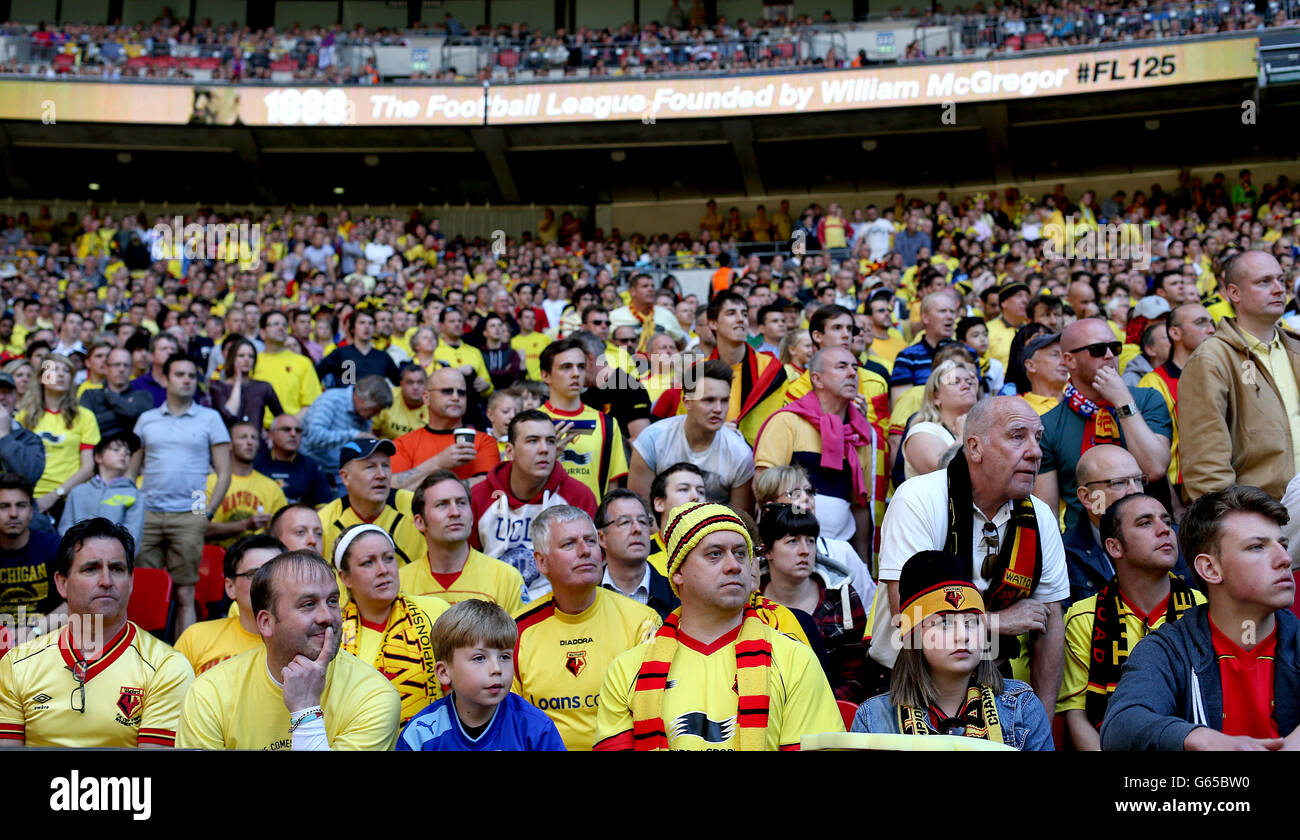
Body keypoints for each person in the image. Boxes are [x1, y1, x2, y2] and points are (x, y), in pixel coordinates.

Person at [871, 396, 1069, 717]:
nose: (1035, 452)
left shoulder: (1041, 517)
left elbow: (1049, 622)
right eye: (1018, 436)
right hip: (907, 683)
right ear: (974, 448)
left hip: (991, 682)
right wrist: (996, 624)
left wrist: (1041, 720)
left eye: (1038, 438)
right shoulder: (918, 499)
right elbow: (905, 618)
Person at [593, 502, 843, 751]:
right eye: (715, 554)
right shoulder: (626, 671)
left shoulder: (796, 660)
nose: (734, 565)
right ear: (678, 571)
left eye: (741, 553)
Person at [1101, 486, 1300, 751]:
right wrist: (1199, 738)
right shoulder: (1168, 648)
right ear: (1210, 568)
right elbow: (1120, 726)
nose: (1285, 559)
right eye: (1256, 547)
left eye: (1283, 545)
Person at [176, 550, 402, 750]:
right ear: (266, 622)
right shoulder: (210, 693)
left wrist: (305, 709)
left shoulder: (375, 696)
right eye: (308, 604)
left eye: (332, 601)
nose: (327, 617)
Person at [0, 518, 194, 748]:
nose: (106, 581)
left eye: (117, 569)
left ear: (131, 582)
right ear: (62, 583)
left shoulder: (167, 667)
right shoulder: (17, 663)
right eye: (91, 569)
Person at [851, 550, 1054, 750]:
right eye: (945, 623)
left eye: (972, 622)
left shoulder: (1022, 707)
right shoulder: (872, 719)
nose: (963, 635)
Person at [1057, 494, 1205, 750]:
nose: (1164, 531)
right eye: (1145, 523)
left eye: (1167, 521)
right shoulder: (1083, 617)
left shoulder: (1202, 607)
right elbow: (1077, 714)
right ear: (1114, 547)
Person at [513, 505, 660, 750]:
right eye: (569, 544)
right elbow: (511, 724)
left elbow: (651, 716)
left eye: (590, 541)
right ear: (541, 562)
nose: (585, 551)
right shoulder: (517, 630)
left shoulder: (643, 621)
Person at [1180, 251, 1300, 502]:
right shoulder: (1211, 359)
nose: (1279, 289)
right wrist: (1233, 526)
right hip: (1264, 516)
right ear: (1233, 293)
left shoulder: (1297, 348)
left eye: (1281, 279)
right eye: (1264, 282)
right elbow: (1206, 464)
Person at [1033, 318, 1172, 533]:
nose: (1109, 355)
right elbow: (1047, 512)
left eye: (1115, 348)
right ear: (1070, 360)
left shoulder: (1147, 400)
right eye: (1097, 349)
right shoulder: (1049, 425)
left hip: (1152, 532)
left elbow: (1154, 468)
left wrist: (1123, 403)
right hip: (1086, 547)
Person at [755, 346, 886, 565]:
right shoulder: (787, 421)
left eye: (855, 367)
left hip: (839, 551)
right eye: (842, 366)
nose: (853, 373)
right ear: (817, 379)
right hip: (789, 550)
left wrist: (863, 562)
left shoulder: (859, 433)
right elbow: (763, 490)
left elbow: (860, 504)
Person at [131, 353, 232, 636]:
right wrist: (133, 508)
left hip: (192, 511)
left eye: (191, 375)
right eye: (179, 374)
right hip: (148, 511)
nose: (186, 380)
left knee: (186, 590)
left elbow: (224, 473)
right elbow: (131, 471)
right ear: (165, 379)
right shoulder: (146, 419)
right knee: (145, 589)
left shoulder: (210, 418)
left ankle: (185, 660)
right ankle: (142, 661)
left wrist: (206, 513)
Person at [396, 599, 567, 751]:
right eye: (479, 658)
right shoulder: (421, 734)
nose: (496, 668)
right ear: (444, 672)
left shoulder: (534, 727)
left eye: (504, 657)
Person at [469, 409, 596, 601]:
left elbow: (590, 561)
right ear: (509, 451)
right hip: (490, 608)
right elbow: (467, 562)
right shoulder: (479, 496)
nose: (544, 449)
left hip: (557, 608)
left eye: (550, 441)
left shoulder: (578, 496)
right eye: (532, 441)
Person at [334, 523, 450, 726]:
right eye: (367, 563)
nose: (383, 570)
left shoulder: (436, 611)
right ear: (345, 577)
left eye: (388, 558)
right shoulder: (333, 633)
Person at [758, 504, 868, 703]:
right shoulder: (747, 599)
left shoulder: (841, 597)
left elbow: (858, 676)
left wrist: (820, 705)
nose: (805, 551)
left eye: (811, 541)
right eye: (792, 541)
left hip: (828, 713)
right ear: (767, 551)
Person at [629, 359, 755, 508]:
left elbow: (741, 521)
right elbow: (641, 511)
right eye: (709, 400)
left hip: (717, 529)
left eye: (724, 401)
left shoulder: (739, 453)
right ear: (687, 402)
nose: (718, 409)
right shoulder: (652, 440)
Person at [403, 470, 528, 611]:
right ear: (420, 522)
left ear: (472, 515)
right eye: (442, 505)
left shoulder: (505, 578)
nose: (455, 512)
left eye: (461, 503)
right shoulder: (401, 584)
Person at [173, 534, 285, 674]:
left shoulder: (303, 642)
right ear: (231, 587)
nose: (267, 582)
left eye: (276, 573)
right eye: (254, 574)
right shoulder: (196, 638)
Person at [1138, 303, 1215, 495]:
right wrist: (1173, 503)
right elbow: (1150, 452)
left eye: (1213, 323)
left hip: (1223, 484)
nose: (1212, 330)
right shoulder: (1153, 383)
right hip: (1180, 492)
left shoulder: (1221, 377)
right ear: (1175, 333)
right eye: (1201, 323)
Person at [539, 338, 627, 502]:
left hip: (591, 522)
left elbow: (612, 487)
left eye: (581, 367)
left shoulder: (606, 423)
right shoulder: (529, 423)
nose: (576, 373)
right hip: (543, 521)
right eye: (566, 367)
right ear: (546, 375)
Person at [318, 437, 426, 568]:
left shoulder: (417, 506)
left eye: (385, 465)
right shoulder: (323, 522)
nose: (381, 475)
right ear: (345, 477)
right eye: (370, 467)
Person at [390, 367, 500, 491]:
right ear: (426, 398)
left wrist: (419, 487)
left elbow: (487, 486)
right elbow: (391, 487)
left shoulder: (484, 441)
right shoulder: (403, 444)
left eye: (461, 393)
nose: (455, 397)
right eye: (447, 391)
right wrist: (438, 462)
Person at [20, 354, 100, 517]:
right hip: (28, 496)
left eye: (67, 371)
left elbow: (88, 467)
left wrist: (56, 494)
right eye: (55, 369)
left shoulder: (85, 416)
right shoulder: (23, 417)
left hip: (69, 498)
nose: (62, 374)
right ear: (41, 378)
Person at [0, 473, 63, 653]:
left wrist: (34, 631)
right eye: (4, 506)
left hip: (46, 641)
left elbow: (75, 603)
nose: (13, 513)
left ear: (31, 511)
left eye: (21, 506)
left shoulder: (54, 547)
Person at [597, 489, 679, 620]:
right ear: (601, 538)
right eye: (625, 522)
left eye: (643, 521)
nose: (637, 529)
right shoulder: (584, 596)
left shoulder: (676, 596)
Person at [204, 421, 288, 547]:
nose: (250, 442)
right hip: (216, 559)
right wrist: (245, 525)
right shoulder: (207, 483)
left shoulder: (272, 488)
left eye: (254, 438)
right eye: (243, 437)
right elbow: (199, 529)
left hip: (260, 561)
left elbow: (283, 530)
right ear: (229, 445)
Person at [58, 431, 143, 548]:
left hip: (115, 561)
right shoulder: (78, 491)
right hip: (79, 558)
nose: (123, 453)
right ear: (98, 457)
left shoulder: (135, 495)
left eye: (128, 453)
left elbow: (133, 536)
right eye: (116, 449)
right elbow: (65, 529)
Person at [300, 375, 394, 476]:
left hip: (339, 471)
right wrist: (355, 436)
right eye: (376, 409)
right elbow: (314, 436)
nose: (377, 415)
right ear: (363, 400)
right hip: (310, 467)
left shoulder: (363, 413)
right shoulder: (331, 400)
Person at [570, 330, 653, 442]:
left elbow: (641, 442)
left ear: (589, 359)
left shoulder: (629, 388)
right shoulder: (585, 392)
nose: (573, 373)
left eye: (574, 364)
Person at [901, 360, 978, 479]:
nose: (966, 386)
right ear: (935, 396)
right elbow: (945, 470)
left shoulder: (983, 431)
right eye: (955, 382)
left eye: (969, 382)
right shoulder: (921, 431)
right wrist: (963, 434)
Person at [890, 291, 958, 401]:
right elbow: (901, 406)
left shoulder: (968, 353)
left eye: (952, 311)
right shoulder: (907, 358)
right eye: (942, 311)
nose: (949, 316)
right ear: (925, 317)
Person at [253, 413, 333, 507]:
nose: (293, 434)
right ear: (271, 434)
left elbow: (325, 506)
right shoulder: (256, 464)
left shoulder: (312, 467)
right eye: (286, 429)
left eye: (298, 430)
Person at [253, 311, 323, 418]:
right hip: (258, 429)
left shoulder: (303, 362)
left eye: (284, 325)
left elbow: (311, 403)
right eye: (275, 324)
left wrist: (289, 426)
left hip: (293, 428)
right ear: (262, 333)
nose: (281, 328)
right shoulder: (253, 362)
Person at [210, 336, 285, 430]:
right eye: (241, 356)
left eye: (251, 356)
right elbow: (229, 415)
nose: (246, 359)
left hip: (257, 441)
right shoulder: (218, 387)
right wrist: (238, 382)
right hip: (230, 442)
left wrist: (271, 434)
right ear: (232, 358)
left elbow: (282, 417)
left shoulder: (263, 387)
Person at [80, 347, 152, 440]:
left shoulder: (143, 395)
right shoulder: (89, 395)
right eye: (116, 365)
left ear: (131, 370)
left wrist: (108, 393)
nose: (121, 369)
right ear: (106, 368)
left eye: (126, 365)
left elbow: (145, 426)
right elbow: (86, 426)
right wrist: (128, 411)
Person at [316, 309, 401, 388]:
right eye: (362, 323)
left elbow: (399, 382)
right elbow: (316, 374)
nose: (367, 326)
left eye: (370, 323)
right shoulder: (340, 353)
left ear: (374, 328)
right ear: (353, 329)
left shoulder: (383, 357)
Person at [609, 273, 686, 354]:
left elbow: (682, 344)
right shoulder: (614, 316)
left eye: (653, 286)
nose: (651, 289)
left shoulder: (667, 315)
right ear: (632, 291)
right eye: (645, 286)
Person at [0, 371, 46, 489]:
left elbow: (30, 476)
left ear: (16, 397)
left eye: (7, 393)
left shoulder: (30, 439)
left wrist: (4, 436)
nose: (1, 397)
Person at [373, 363, 429, 440]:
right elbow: (372, 431)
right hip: (388, 449)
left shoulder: (435, 402)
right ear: (401, 384)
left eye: (420, 382)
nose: (415, 387)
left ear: (427, 384)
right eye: (410, 382)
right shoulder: (388, 398)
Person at [987, 281, 1031, 370]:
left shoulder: (1032, 330)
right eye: (1019, 296)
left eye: (1027, 297)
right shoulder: (987, 329)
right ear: (1004, 303)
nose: (1025, 301)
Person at [130, 332, 180, 407]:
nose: (170, 352)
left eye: (173, 349)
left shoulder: (186, 384)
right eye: (164, 349)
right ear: (151, 356)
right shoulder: (135, 385)